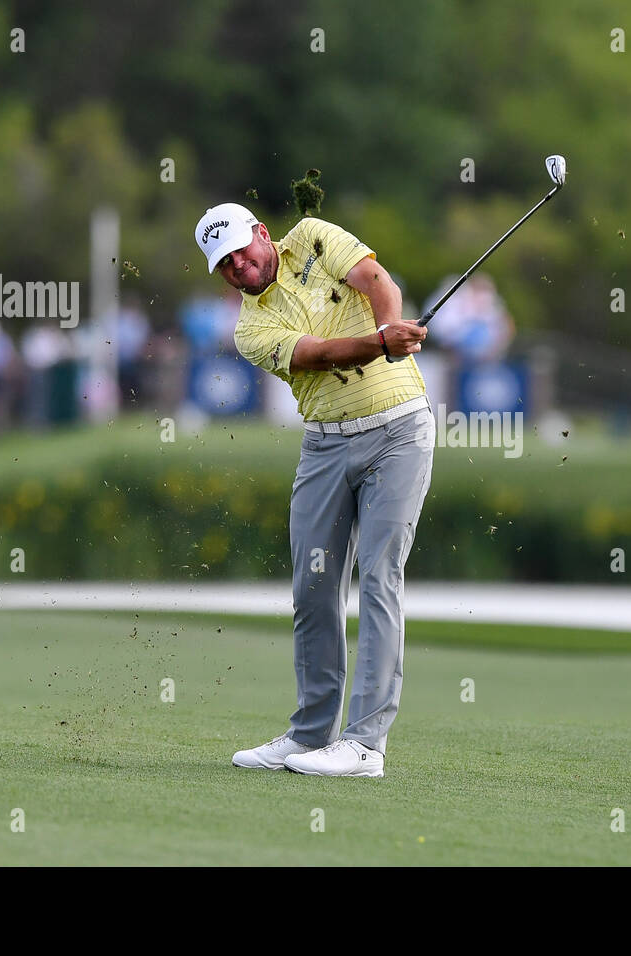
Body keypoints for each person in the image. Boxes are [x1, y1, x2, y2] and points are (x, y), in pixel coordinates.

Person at [194, 202, 432, 778]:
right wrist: (381, 344)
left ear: (262, 234)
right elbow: (317, 356)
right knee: (316, 588)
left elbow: (376, 281)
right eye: (224, 264)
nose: (239, 267)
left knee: (379, 577)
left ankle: (366, 746)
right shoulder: (250, 329)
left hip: (398, 431)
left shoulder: (314, 238)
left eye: (241, 251)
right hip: (325, 448)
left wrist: (388, 326)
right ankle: (310, 735)